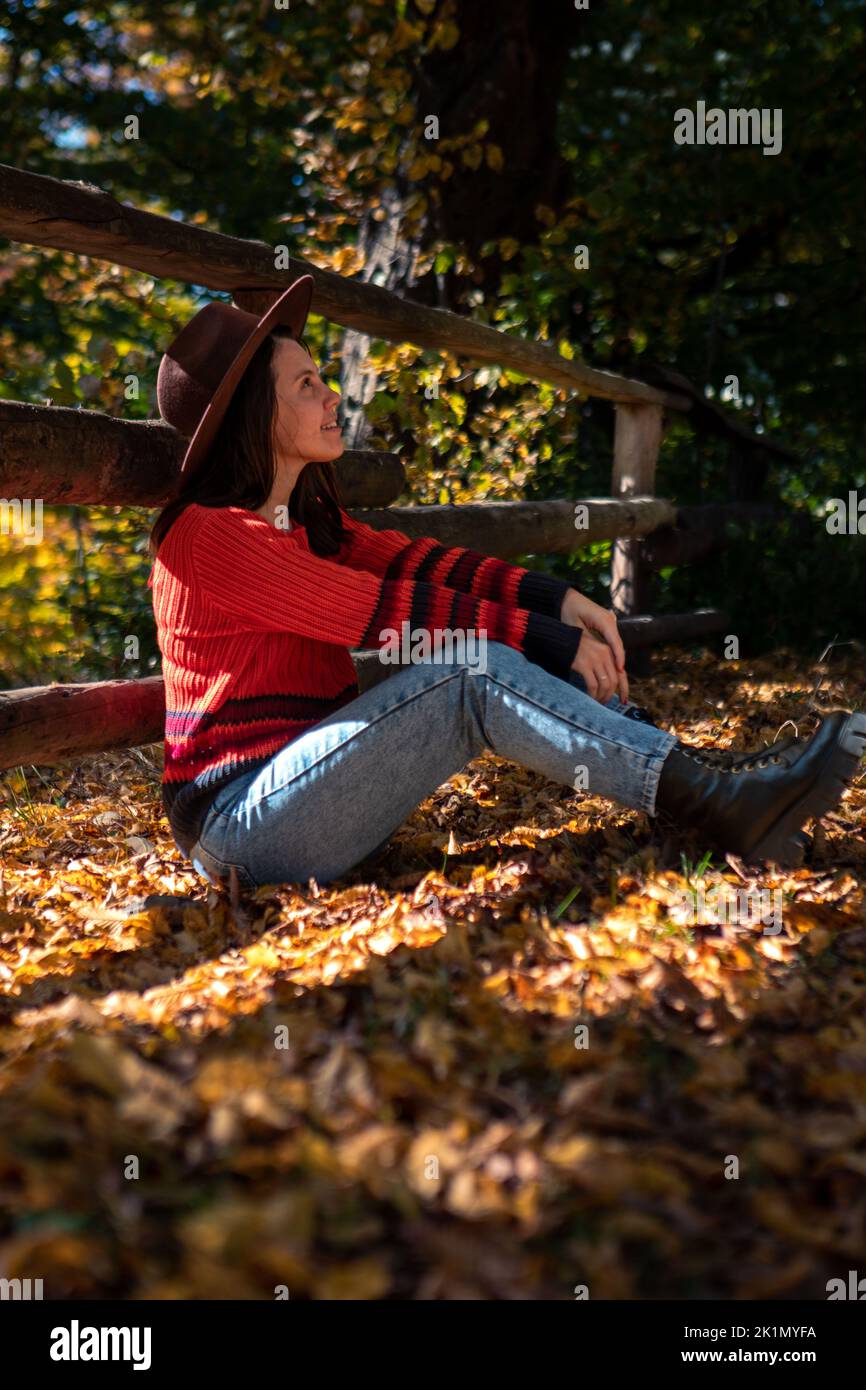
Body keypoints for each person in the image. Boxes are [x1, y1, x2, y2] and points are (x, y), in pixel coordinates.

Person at [148, 276, 866, 891]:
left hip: (309, 793)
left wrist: (557, 598)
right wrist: (547, 640)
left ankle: (712, 787)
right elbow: (385, 613)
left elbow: (418, 566)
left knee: (475, 656)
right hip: (240, 824)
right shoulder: (207, 539)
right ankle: (718, 801)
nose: (333, 397)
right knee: (469, 674)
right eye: (307, 385)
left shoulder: (310, 523)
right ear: (252, 411)